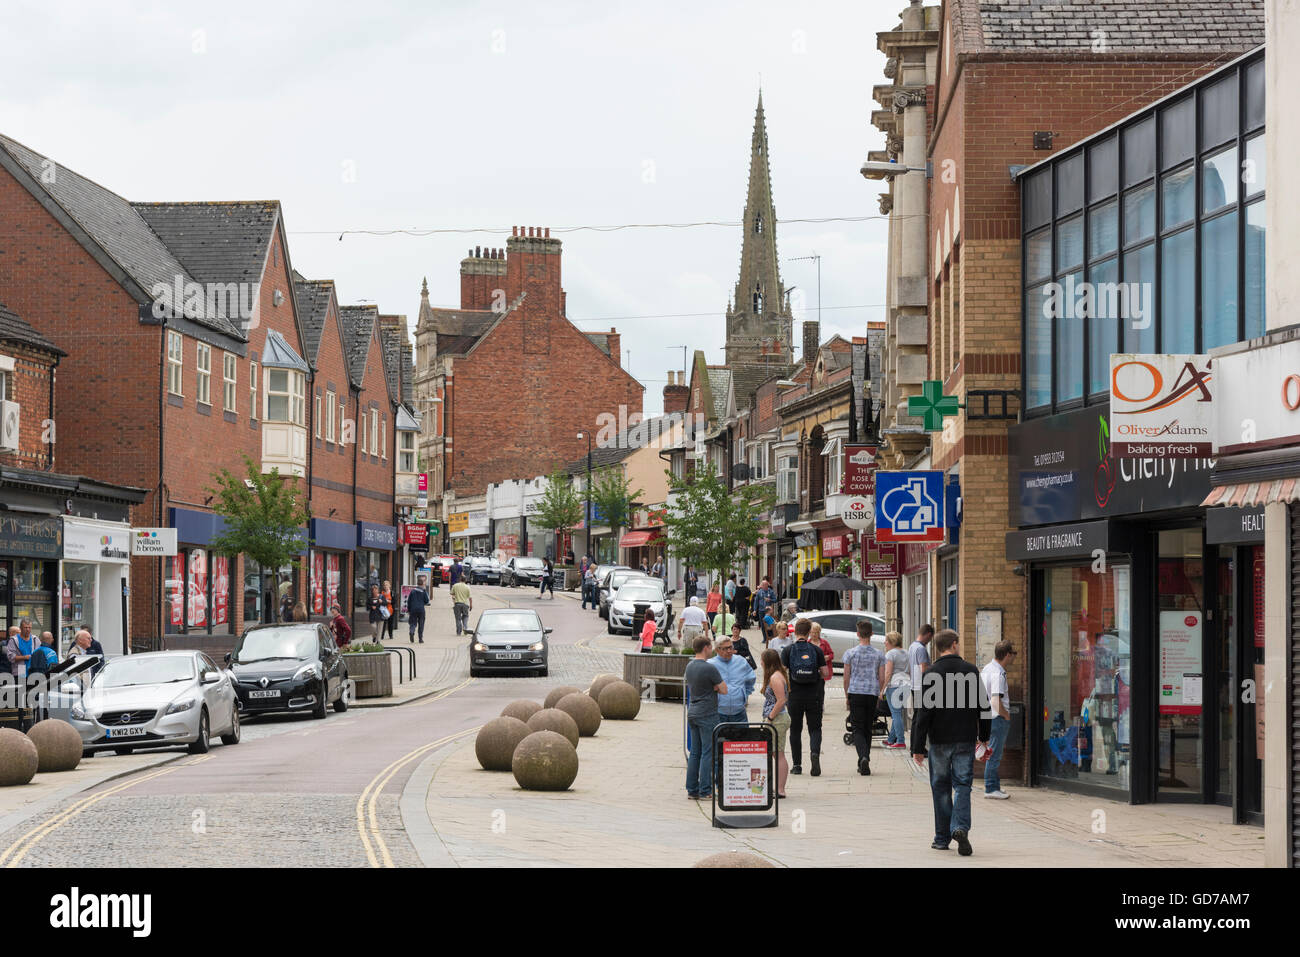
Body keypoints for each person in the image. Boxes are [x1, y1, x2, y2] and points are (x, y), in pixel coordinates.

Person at [912, 628, 991, 857]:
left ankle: (941, 838)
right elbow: (983, 707)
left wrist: (918, 747)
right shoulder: (970, 671)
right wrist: (984, 736)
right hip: (965, 738)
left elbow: (923, 713)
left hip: (939, 741)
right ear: (954, 644)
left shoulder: (931, 674)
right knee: (963, 784)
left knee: (940, 788)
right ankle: (960, 827)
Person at [781, 619, 827, 777]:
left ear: (794, 632)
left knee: (795, 730)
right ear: (809, 632)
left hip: (794, 695)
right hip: (814, 694)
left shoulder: (788, 650)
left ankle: (797, 765)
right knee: (815, 728)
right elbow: (826, 673)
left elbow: (782, 672)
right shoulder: (816, 650)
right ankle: (814, 753)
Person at [684, 635, 727, 800]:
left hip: (693, 711)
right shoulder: (709, 668)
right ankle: (705, 790)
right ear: (706, 647)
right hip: (707, 713)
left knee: (695, 752)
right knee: (708, 752)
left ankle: (692, 789)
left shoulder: (689, 666)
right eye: (711, 647)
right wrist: (715, 687)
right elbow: (724, 690)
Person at [842, 619, 885, 775]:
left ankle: (863, 756)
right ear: (872, 634)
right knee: (867, 726)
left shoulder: (850, 653)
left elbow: (846, 677)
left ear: (858, 634)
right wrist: (880, 692)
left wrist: (847, 694)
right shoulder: (879, 654)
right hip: (871, 693)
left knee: (857, 727)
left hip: (855, 692)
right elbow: (881, 677)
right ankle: (865, 759)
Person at [981, 640, 1016, 799]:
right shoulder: (998, 673)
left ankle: (994, 786)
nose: (1014, 657)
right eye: (1013, 654)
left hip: (987, 717)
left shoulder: (987, 669)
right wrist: (1006, 715)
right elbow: (996, 700)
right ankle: (990, 788)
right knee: (994, 755)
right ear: (1007, 654)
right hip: (997, 718)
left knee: (992, 753)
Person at [760, 649, 790, 799]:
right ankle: (778, 788)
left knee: (778, 754)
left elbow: (781, 700)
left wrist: (770, 718)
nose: (760, 663)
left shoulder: (775, 677)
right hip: (778, 718)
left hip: (777, 719)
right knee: (775, 753)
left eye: (762, 660)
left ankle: (780, 789)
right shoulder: (777, 675)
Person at [710, 633, 756, 724]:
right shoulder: (711, 665)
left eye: (730, 647)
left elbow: (751, 679)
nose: (729, 651)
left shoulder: (741, 661)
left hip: (739, 712)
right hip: (718, 713)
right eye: (725, 648)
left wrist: (744, 694)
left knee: (742, 738)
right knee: (719, 738)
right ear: (717, 650)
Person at [881, 632, 911, 749]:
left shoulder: (890, 654)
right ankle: (891, 739)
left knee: (895, 714)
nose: (885, 642)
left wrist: (882, 688)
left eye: (886, 640)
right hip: (906, 684)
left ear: (892, 642)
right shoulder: (907, 653)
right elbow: (910, 671)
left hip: (894, 685)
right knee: (898, 713)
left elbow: (888, 673)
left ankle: (900, 741)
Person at [907, 623, 934, 730]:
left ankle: (914, 744)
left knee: (916, 716)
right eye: (930, 638)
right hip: (921, 687)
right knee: (921, 718)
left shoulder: (912, 646)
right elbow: (924, 669)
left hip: (914, 685)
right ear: (928, 634)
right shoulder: (921, 649)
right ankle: (918, 745)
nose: (930, 641)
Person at [407, 575, 430, 643]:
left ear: (417, 583)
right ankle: (420, 639)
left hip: (413, 609)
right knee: (421, 623)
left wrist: (409, 610)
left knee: (412, 623)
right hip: (421, 610)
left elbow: (409, 601)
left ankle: (412, 631)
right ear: (422, 584)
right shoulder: (423, 591)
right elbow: (426, 601)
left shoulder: (412, 591)